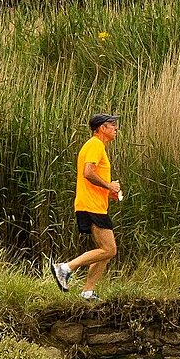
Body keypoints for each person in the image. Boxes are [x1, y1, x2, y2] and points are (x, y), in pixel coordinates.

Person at [52, 113, 122, 301]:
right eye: (112, 125)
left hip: (94, 203)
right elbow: (88, 172)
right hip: (91, 206)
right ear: (101, 128)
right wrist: (109, 185)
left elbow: (91, 178)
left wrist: (109, 192)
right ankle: (65, 268)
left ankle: (88, 291)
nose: (116, 129)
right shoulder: (95, 145)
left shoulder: (98, 146)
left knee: (104, 251)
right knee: (109, 249)